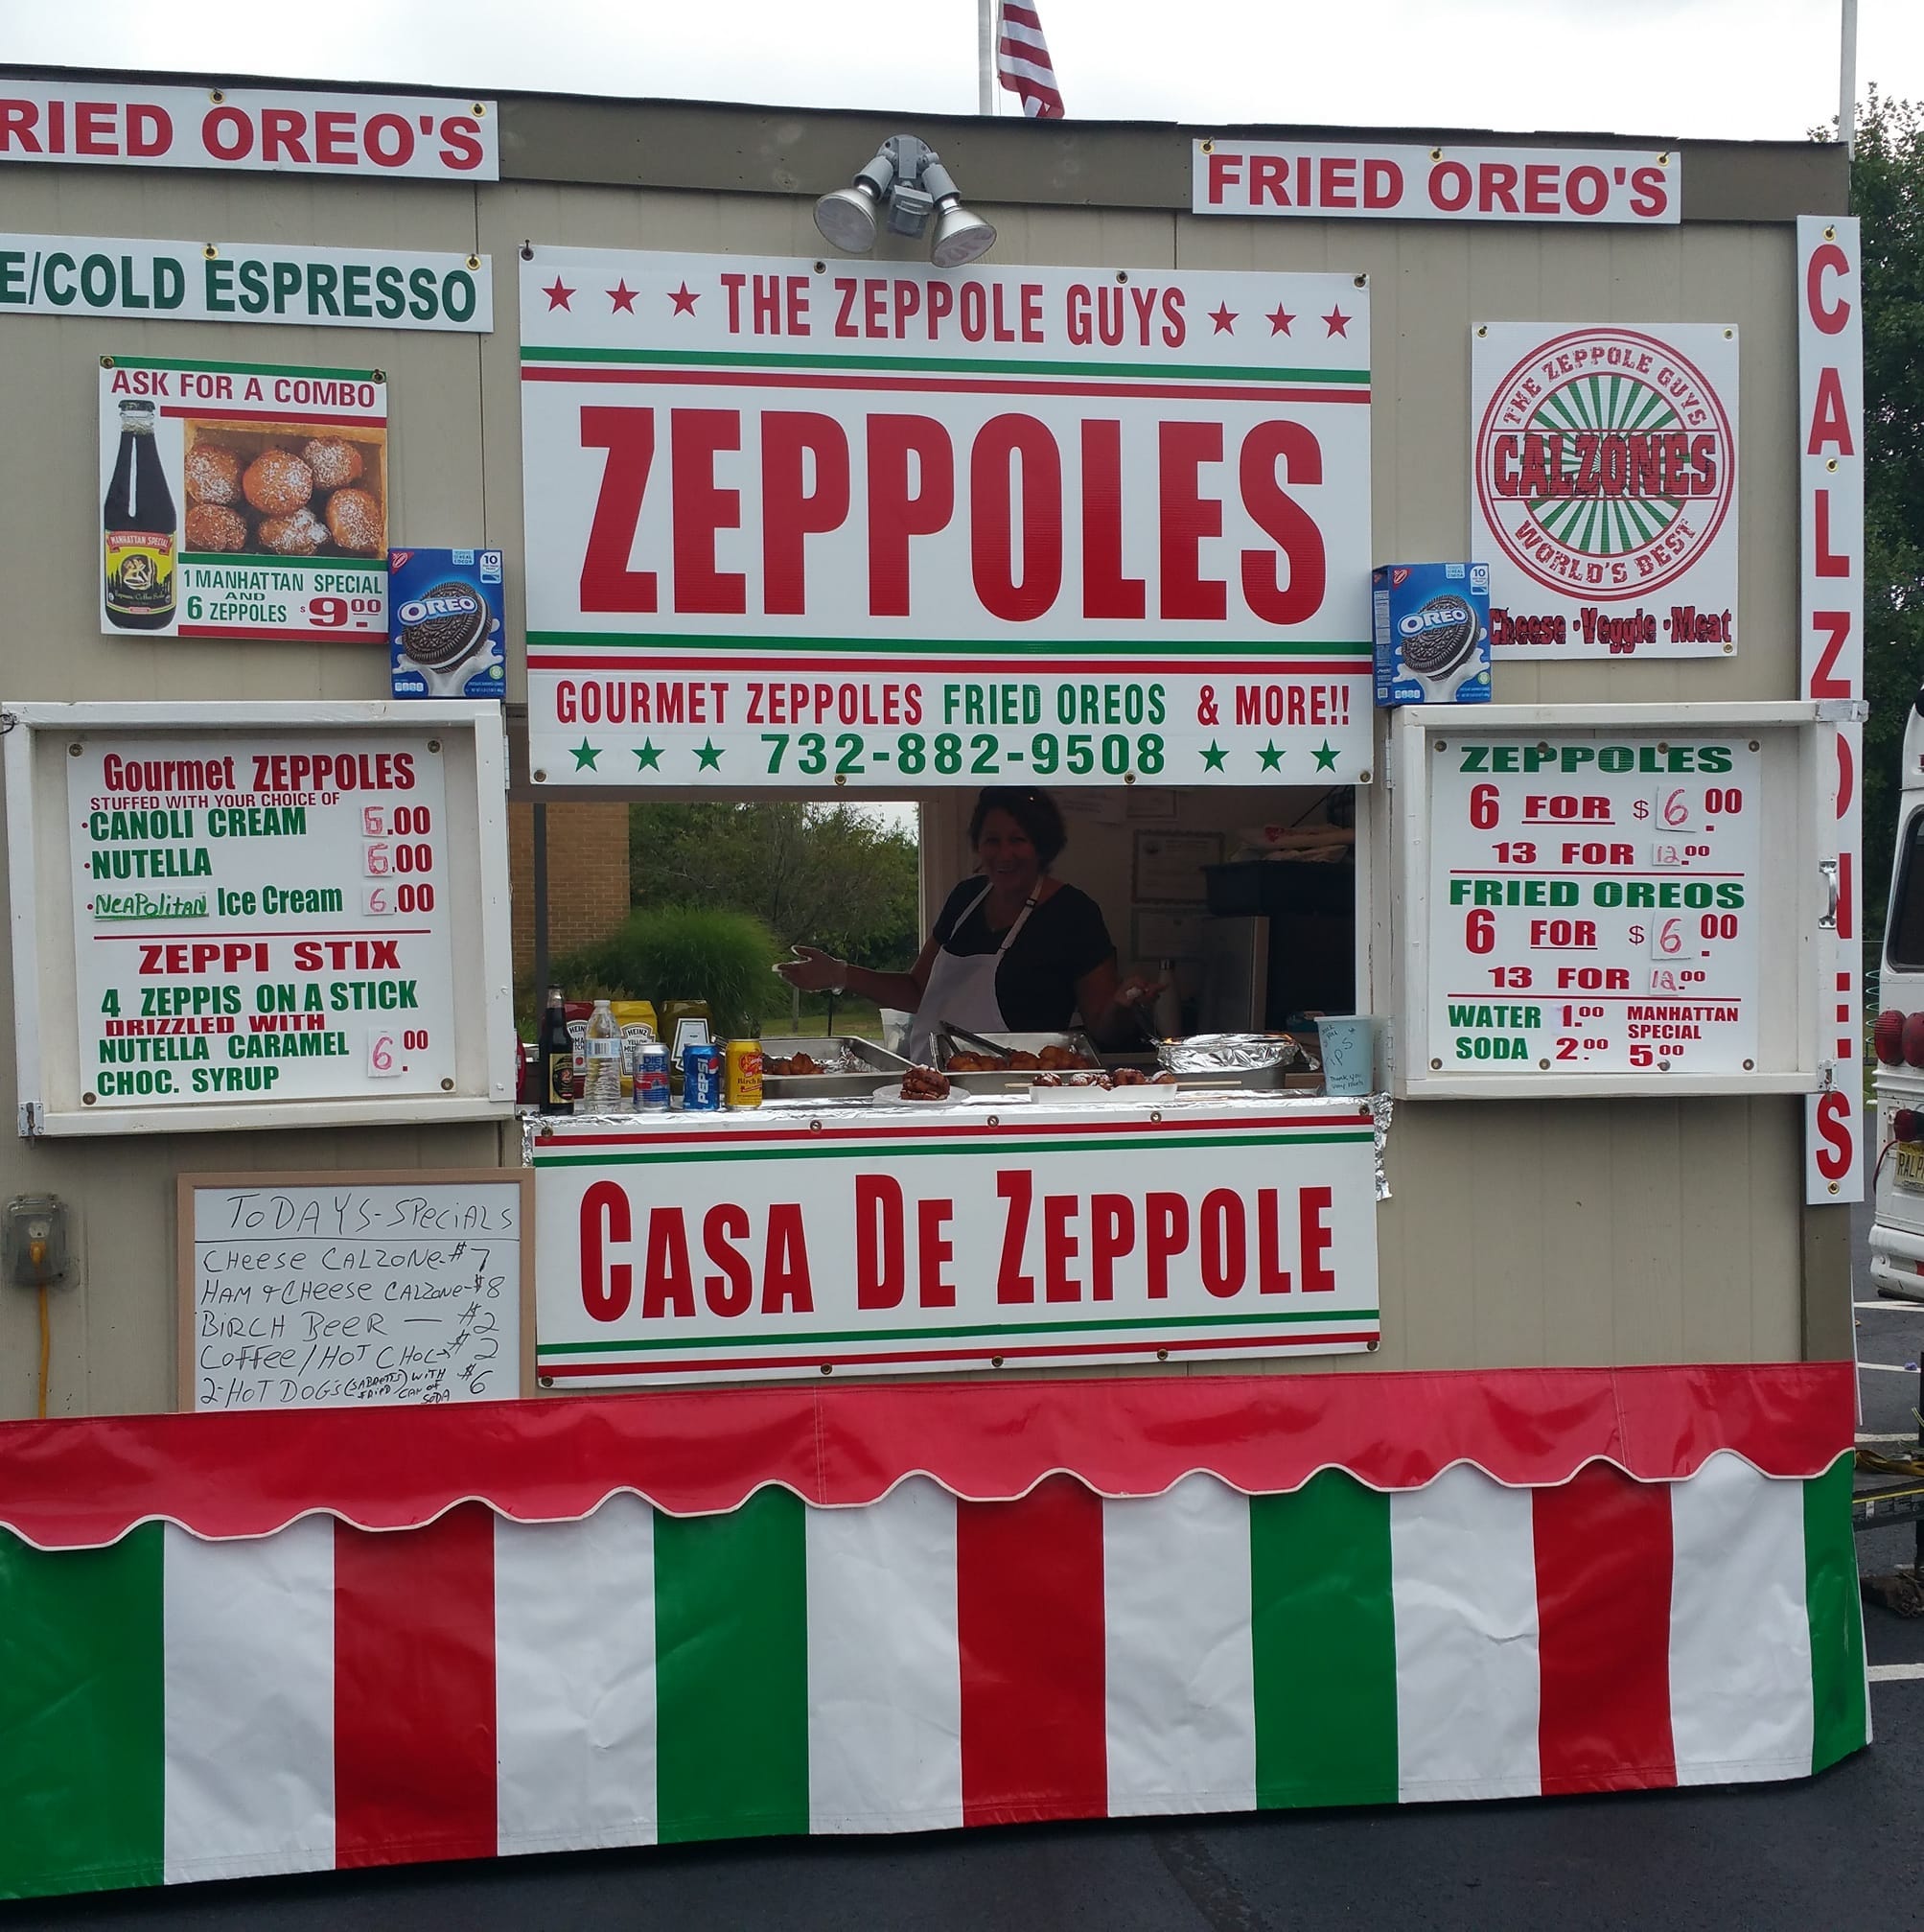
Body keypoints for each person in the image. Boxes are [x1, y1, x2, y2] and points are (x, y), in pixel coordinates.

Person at [777, 787, 1157, 1062]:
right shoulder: (965, 899)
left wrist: (1124, 1005)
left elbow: (1103, 1028)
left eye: (1018, 840)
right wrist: (840, 974)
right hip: (934, 1083)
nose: (1003, 854)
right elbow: (916, 992)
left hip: (1016, 1093)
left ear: (1042, 847)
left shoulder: (1073, 913)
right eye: (992, 840)